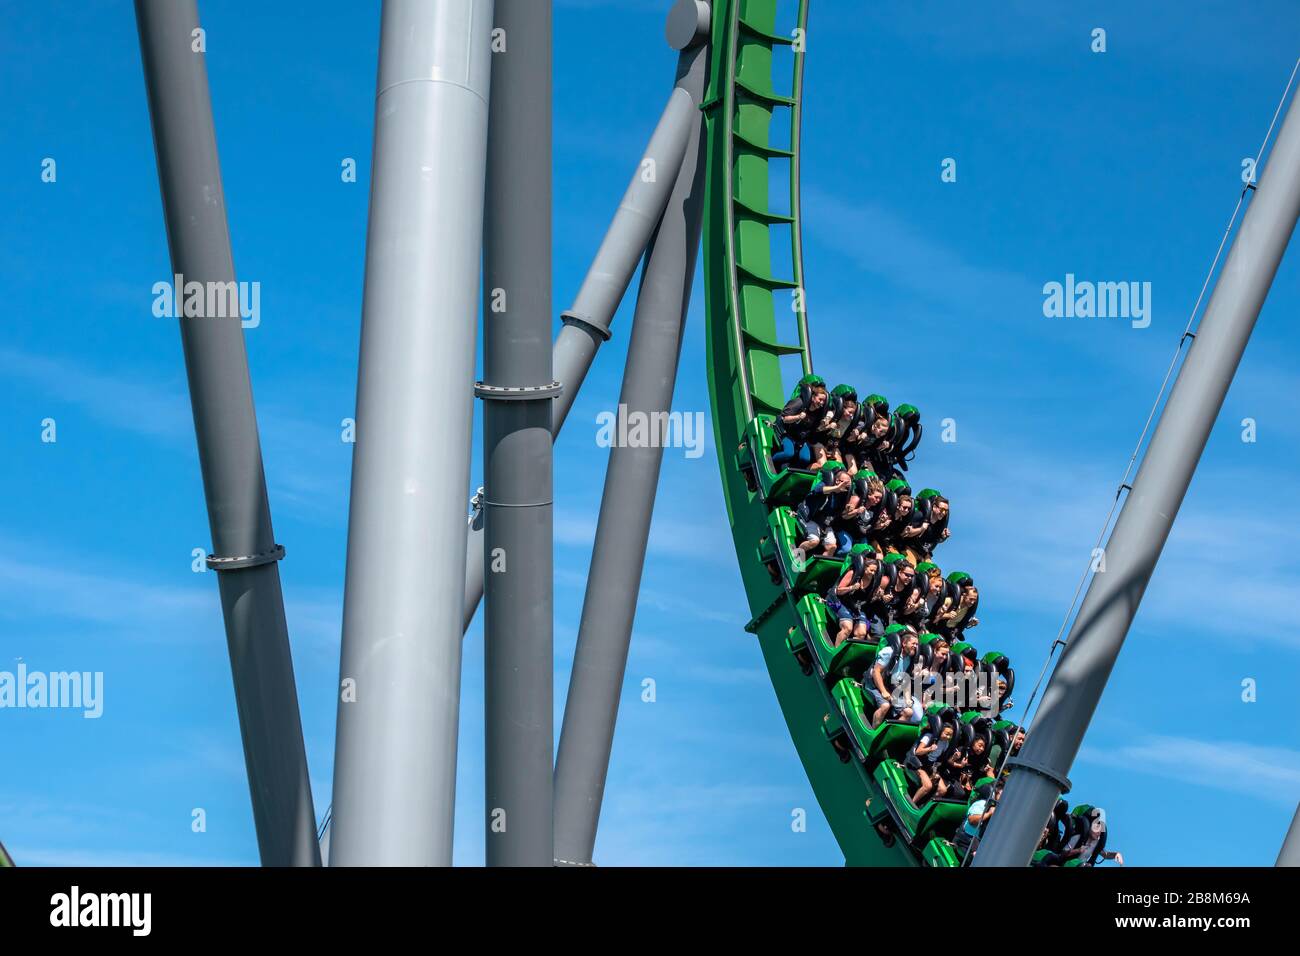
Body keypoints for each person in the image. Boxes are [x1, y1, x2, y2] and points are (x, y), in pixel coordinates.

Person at [865, 625, 921, 727]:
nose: (916, 646)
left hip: (891, 688)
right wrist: (883, 691)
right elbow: (876, 672)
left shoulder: (908, 659)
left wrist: (907, 698)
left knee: (908, 712)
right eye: (913, 643)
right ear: (904, 643)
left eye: (917, 644)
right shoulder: (889, 652)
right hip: (874, 685)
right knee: (885, 705)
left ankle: (888, 735)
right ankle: (873, 732)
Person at [825, 547, 880, 647]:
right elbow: (838, 591)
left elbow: (867, 600)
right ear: (864, 567)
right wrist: (851, 587)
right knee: (847, 627)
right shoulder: (852, 573)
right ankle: (836, 651)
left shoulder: (873, 580)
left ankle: (847, 651)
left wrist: (877, 596)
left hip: (855, 605)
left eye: (875, 572)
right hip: (839, 601)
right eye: (871, 570)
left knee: (861, 632)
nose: (873, 573)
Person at [795, 462, 850, 559]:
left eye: (848, 484)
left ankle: (816, 568)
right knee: (814, 541)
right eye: (845, 483)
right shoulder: (825, 484)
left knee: (832, 546)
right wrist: (835, 488)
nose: (847, 486)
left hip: (823, 523)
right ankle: (796, 557)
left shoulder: (843, 495)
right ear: (837, 481)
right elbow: (818, 490)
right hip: (809, 517)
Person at [772, 374, 828, 469]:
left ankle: (791, 469)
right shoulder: (799, 403)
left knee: (805, 458)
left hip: (801, 438)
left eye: (824, 401)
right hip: (788, 434)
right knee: (788, 453)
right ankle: (771, 461)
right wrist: (798, 417)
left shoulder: (818, 411)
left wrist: (826, 425)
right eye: (820, 399)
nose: (822, 403)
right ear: (813, 396)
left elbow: (815, 428)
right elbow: (784, 419)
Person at [906, 710, 957, 807]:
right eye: (946, 734)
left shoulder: (945, 743)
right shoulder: (929, 736)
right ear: (940, 731)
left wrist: (954, 757)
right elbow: (918, 752)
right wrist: (929, 749)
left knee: (943, 790)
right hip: (918, 764)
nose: (948, 736)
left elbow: (941, 759)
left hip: (931, 767)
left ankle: (925, 806)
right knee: (928, 786)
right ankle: (911, 804)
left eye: (950, 735)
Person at [954, 778, 1002, 861]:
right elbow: (972, 820)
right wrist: (988, 814)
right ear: (995, 792)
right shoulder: (982, 804)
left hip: (979, 842)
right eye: (1002, 793)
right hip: (967, 841)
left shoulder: (997, 808)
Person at [913, 490, 951, 561]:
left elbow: (934, 539)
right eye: (942, 509)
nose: (943, 513)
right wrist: (921, 529)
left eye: (946, 511)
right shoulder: (919, 516)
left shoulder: (940, 524)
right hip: (910, 547)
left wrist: (943, 537)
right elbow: (905, 534)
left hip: (924, 553)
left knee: (931, 569)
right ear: (934, 507)